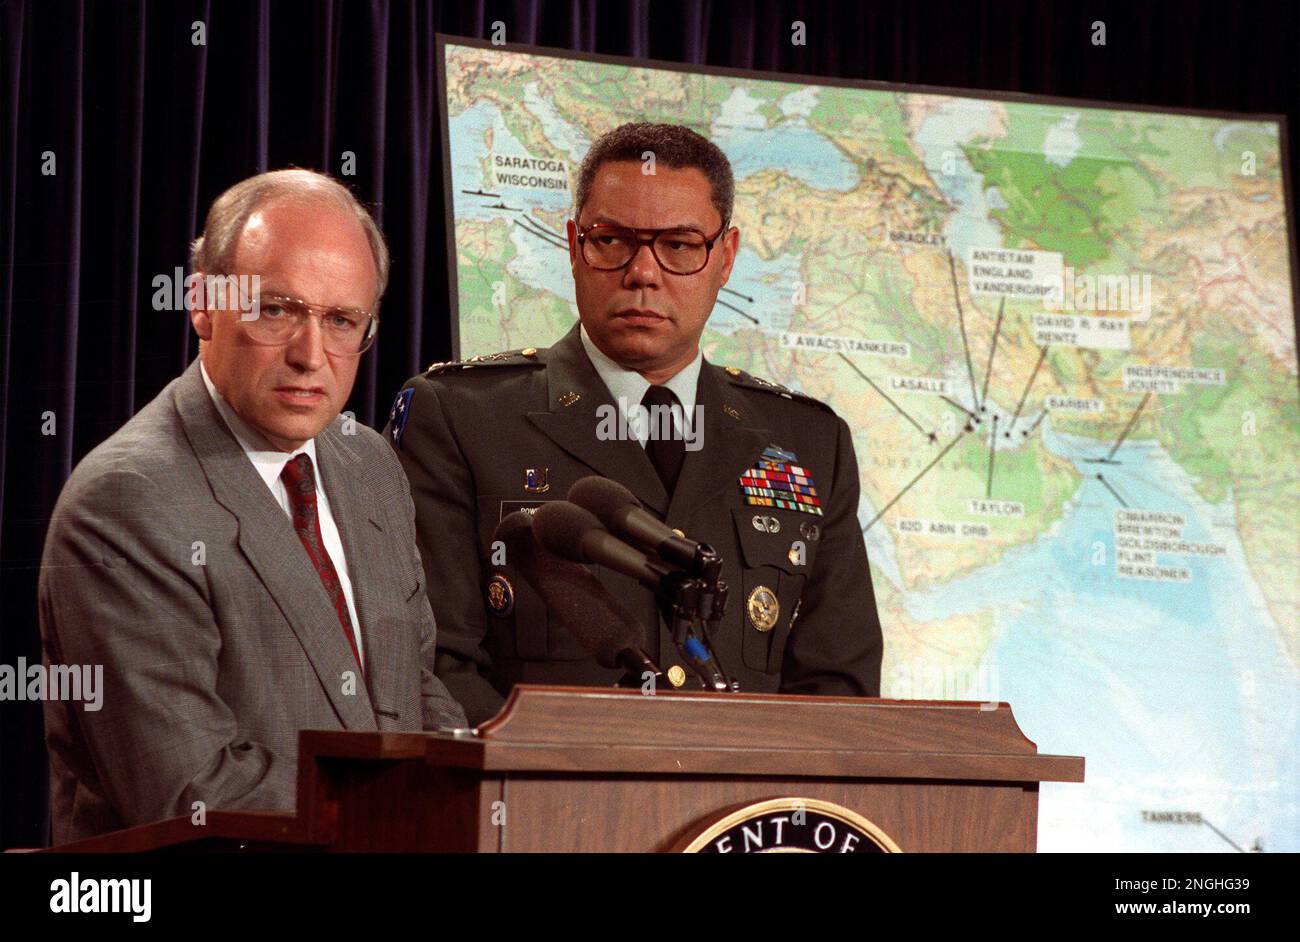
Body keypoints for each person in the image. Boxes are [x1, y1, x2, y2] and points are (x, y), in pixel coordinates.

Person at [388, 123, 883, 725]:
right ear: (573, 246)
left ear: (724, 258)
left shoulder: (809, 442)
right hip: (535, 807)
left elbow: (838, 688)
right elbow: (433, 665)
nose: (643, 273)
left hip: (741, 813)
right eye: (612, 240)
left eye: (678, 245)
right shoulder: (462, 418)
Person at [39, 169, 466, 844]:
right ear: (202, 304)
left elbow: (413, 686)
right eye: (277, 310)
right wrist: (411, 814)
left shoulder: (369, 463)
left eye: (341, 321)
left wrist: (479, 786)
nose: (310, 355)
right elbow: (188, 790)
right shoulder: (127, 502)